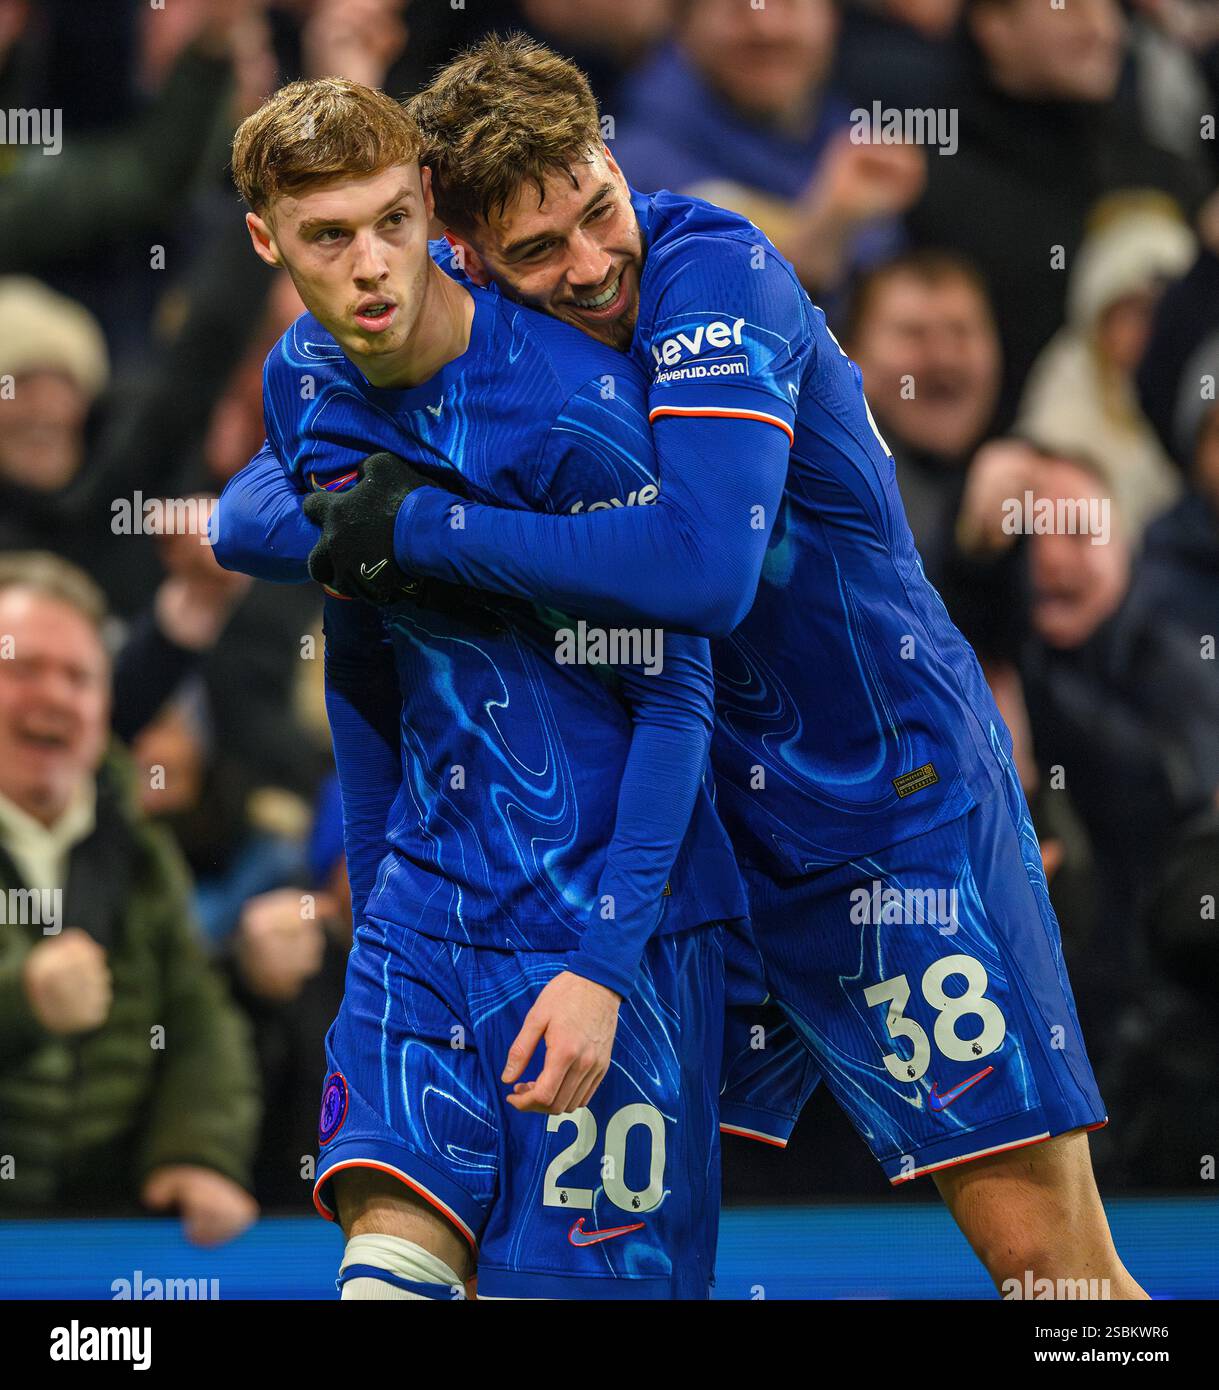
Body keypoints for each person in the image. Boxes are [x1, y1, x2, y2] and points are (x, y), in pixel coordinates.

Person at [217, 35, 1145, 1298]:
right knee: (546, 1250)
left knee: (1051, 1272)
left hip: (888, 815)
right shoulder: (442, 322)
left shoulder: (717, 269)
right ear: (465, 249)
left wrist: (421, 526)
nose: (595, 265)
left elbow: (702, 569)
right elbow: (263, 513)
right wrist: (364, 526)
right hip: (702, 834)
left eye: (598, 208)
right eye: (540, 253)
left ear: (614, 157)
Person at [219, 76, 747, 1300]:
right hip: (422, 914)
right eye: (328, 236)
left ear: (433, 216)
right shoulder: (304, 380)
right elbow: (359, 647)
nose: (370, 267)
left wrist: (604, 967)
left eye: (394, 222)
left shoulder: (576, 404)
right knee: (382, 1272)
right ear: (267, 241)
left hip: (605, 928)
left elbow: (675, 697)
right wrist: (373, 882)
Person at [0, 553, 260, 1243]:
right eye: (22, 669)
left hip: (102, 1240)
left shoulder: (142, 849)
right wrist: (19, 1002)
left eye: (79, 677)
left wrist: (198, 1153)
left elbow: (198, 1016)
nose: (53, 697)